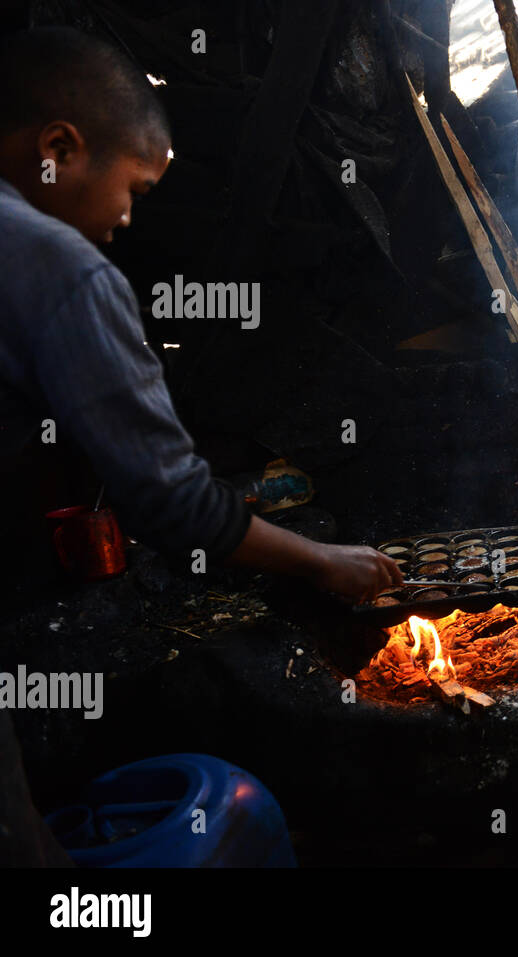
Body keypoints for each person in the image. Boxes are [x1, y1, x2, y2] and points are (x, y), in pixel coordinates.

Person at [0, 26, 402, 604]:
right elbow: (168, 501)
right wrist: (321, 561)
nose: (129, 219)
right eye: (135, 191)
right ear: (59, 150)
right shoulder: (68, 271)